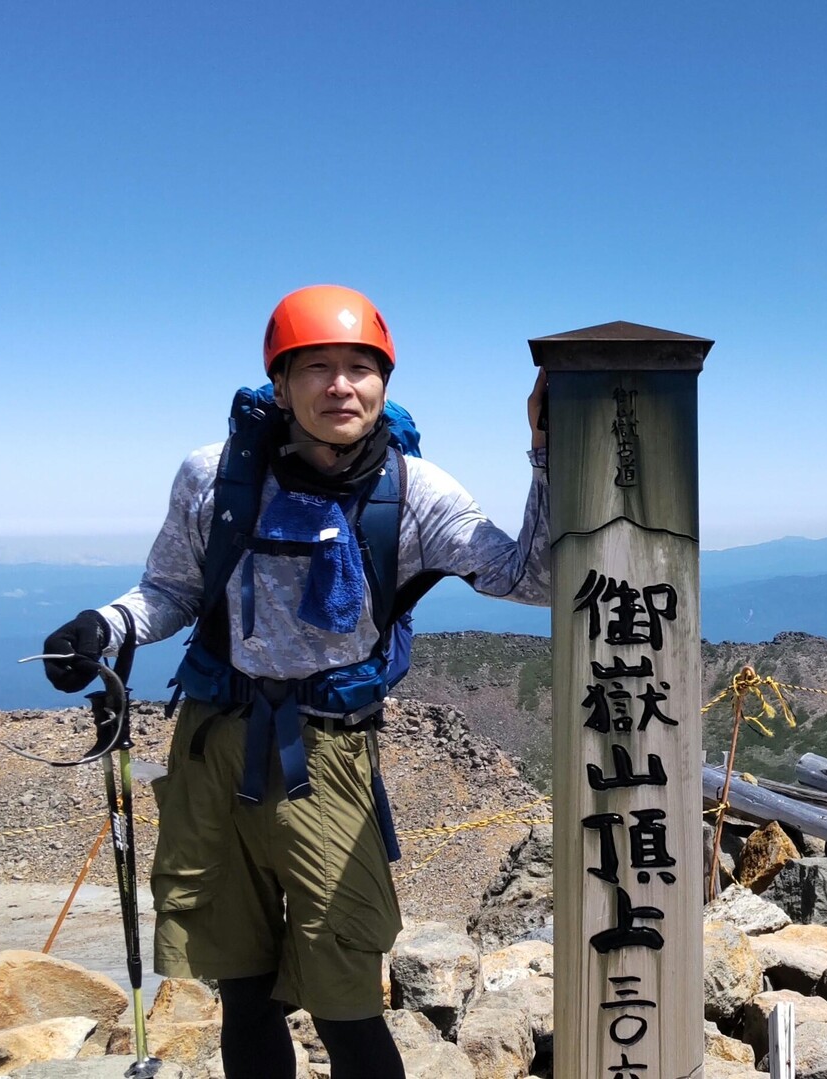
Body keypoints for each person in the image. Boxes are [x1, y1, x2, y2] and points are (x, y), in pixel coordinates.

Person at [38, 284, 551, 1079]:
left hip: (327, 754)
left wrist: (547, 454)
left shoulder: (416, 492)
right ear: (280, 384)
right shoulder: (213, 477)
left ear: (384, 382)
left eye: (359, 367)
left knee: (346, 995)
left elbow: (531, 576)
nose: (339, 385)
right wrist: (103, 628)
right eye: (315, 367)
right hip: (213, 741)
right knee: (242, 987)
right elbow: (171, 590)